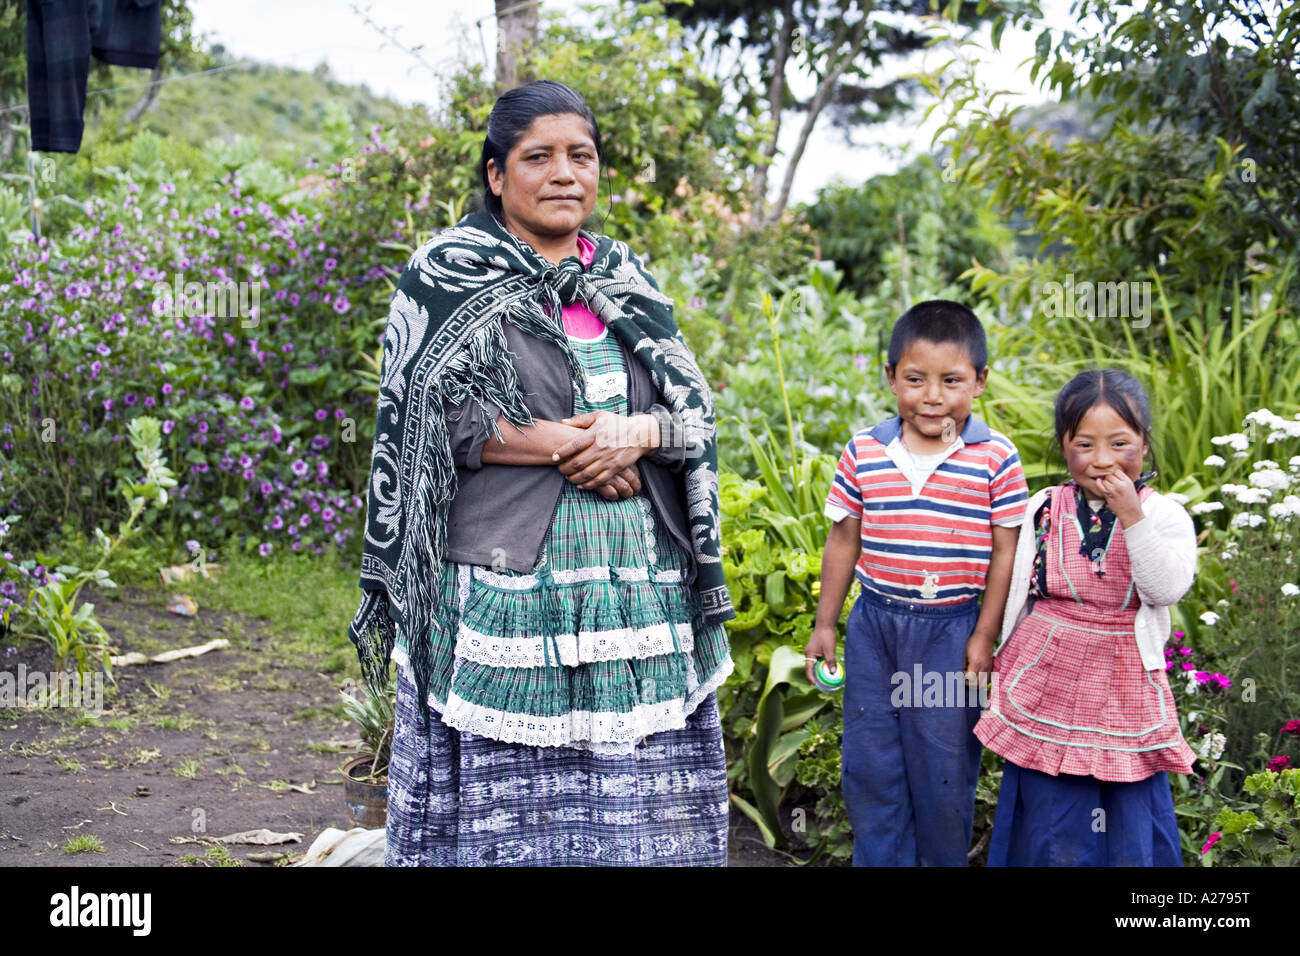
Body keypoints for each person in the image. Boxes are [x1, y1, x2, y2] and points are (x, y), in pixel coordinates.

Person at [347, 80, 736, 866]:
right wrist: (570, 443)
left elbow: (692, 414)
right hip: (510, 583)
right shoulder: (448, 273)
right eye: (539, 157)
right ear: (496, 174)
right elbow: (429, 417)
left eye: (580, 156)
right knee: (517, 793)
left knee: (628, 789)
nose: (564, 174)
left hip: (634, 589)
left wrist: (634, 434)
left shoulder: (626, 277)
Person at [806, 300, 1028, 866]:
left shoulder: (995, 458)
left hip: (951, 633)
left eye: (951, 380)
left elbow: (1006, 554)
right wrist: (826, 623)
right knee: (871, 763)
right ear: (890, 377)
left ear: (980, 381)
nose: (932, 396)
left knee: (943, 768)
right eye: (915, 379)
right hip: (875, 628)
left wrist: (985, 635)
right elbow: (844, 540)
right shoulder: (865, 451)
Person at [973, 368, 1198, 866]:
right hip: (1048, 676)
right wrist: (989, 644)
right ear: (1063, 445)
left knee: (1126, 799)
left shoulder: (1164, 515)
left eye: (1120, 444)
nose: (1102, 460)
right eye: (1084, 445)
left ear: (1145, 443)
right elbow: (1015, 586)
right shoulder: (1044, 508)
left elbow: (1165, 589)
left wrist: (1132, 517)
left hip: (1124, 680)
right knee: (1050, 806)